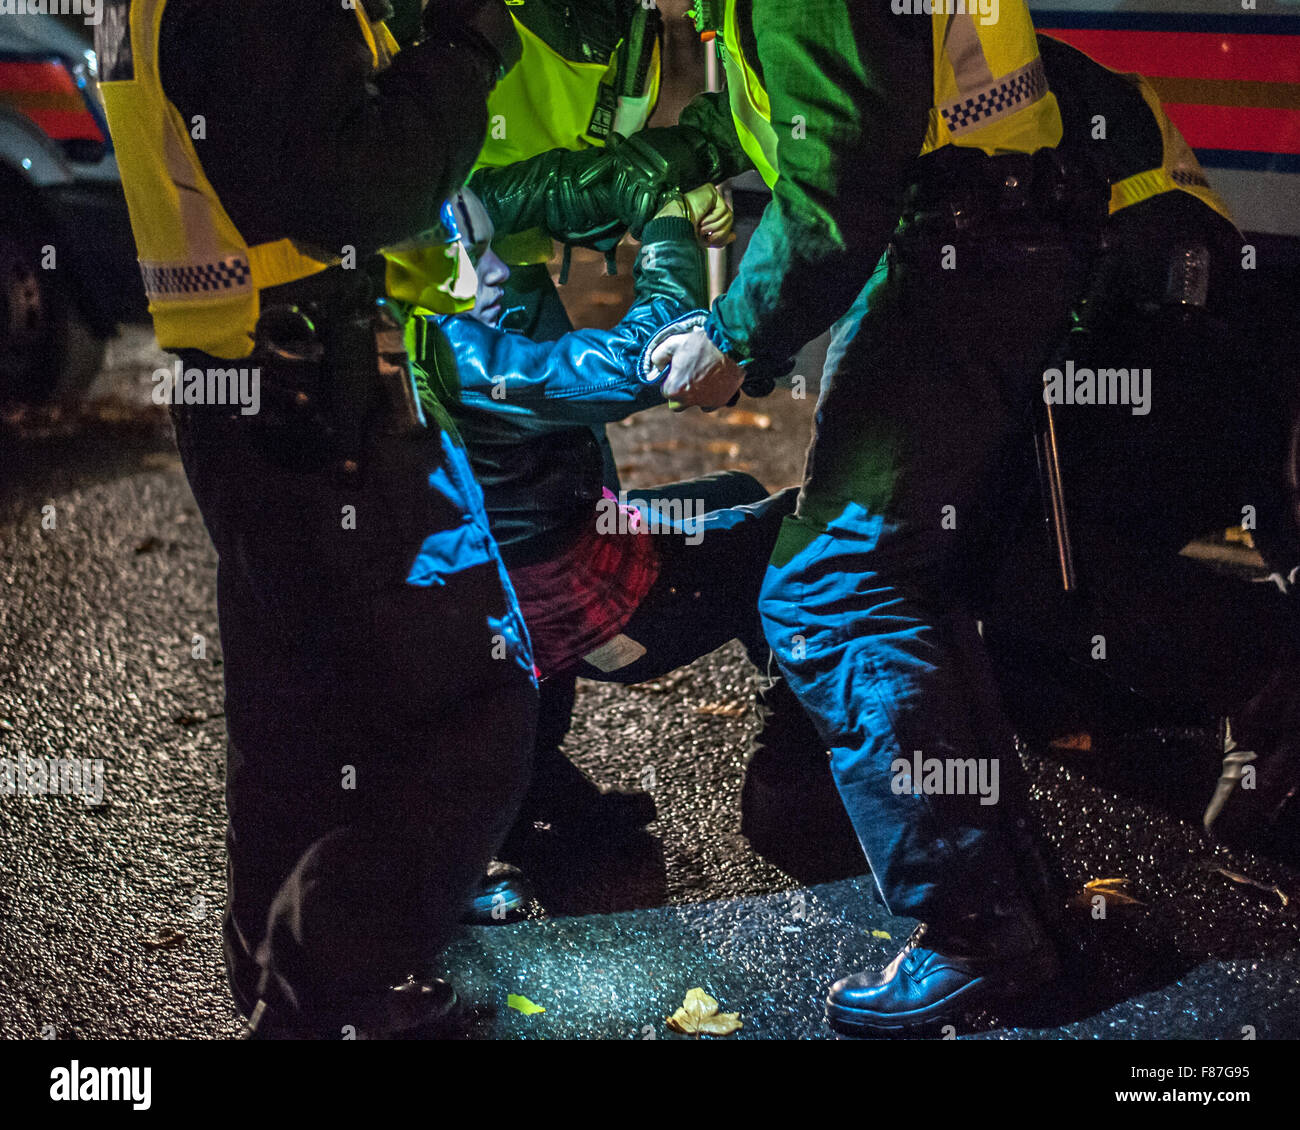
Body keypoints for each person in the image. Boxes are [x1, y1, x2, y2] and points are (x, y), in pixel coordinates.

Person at [651, 2, 1296, 1036]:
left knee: (840, 586)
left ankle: (978, 936)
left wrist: (735, 332)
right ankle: (1012, 914)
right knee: (911, 575)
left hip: (969, 249)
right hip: (997, 244)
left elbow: (840, 178)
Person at [96, 0, 537, 1038]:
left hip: (247, 383)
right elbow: (352, 181)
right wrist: (464, 47)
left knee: (300, 714)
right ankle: (332, 985)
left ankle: (289, 973)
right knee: (468, 702)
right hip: (317, 392)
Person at [414, 186, 836, 858]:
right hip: (597, 611)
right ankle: (798, 778)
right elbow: (637, 365)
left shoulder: (419, 332)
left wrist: (651, 177)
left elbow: (556, 183)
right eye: (469, 253)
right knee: (791, 528)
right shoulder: (463, 359)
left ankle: (533, 790)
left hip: (534, 575)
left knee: (735, 488)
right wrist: (669, 230)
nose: (498, 264)